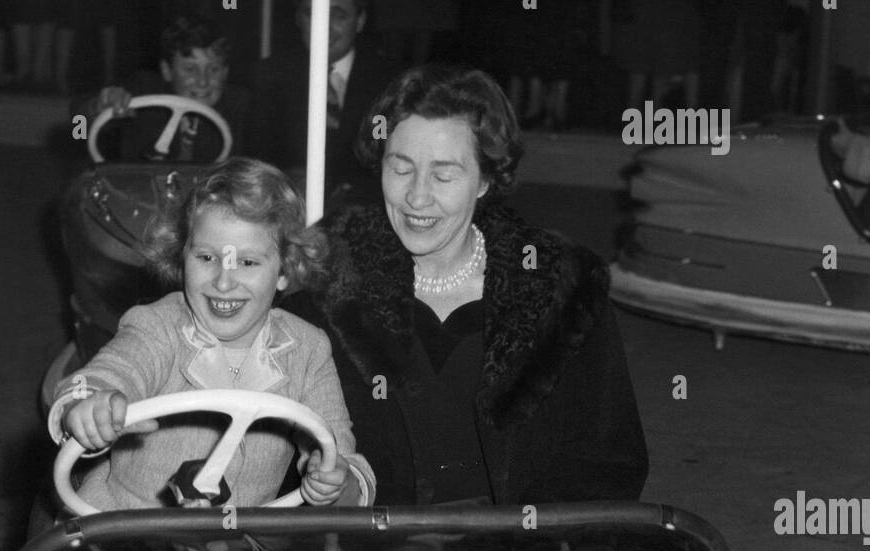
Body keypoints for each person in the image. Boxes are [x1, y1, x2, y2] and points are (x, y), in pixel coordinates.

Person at [294, 66, 648, 507]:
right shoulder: (326, 280)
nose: (416, 198)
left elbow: (607, 460)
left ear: (485, 180)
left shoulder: (563, 287)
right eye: (400, 168)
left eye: (444, 176)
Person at [48, 159, 375, 512]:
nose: (223, 282)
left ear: (285, 270)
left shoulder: (308, 350)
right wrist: (91, 404)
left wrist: (336, 481)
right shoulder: (158, 327)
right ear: (181, 256)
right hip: (124, 527)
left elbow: (339, 453)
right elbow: (110, 372)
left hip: (240, 547)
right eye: (207, 257)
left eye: (247, 263)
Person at [248, 0, 398, 203]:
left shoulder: (386, 80)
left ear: (360, 21)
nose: (324, 26)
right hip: (288, 204)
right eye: (312, 14)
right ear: (298, 19)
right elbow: (257, 154)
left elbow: (384, 150)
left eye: (338, 16)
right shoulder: (270, 76)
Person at [91, 15, 249, 163]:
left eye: (214, 69)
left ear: (226, 72)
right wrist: (99, 107)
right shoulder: (143, 91)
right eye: (190, 69)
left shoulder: (242, 108)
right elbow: (78, 122)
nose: (203, 82)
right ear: (167, 71)